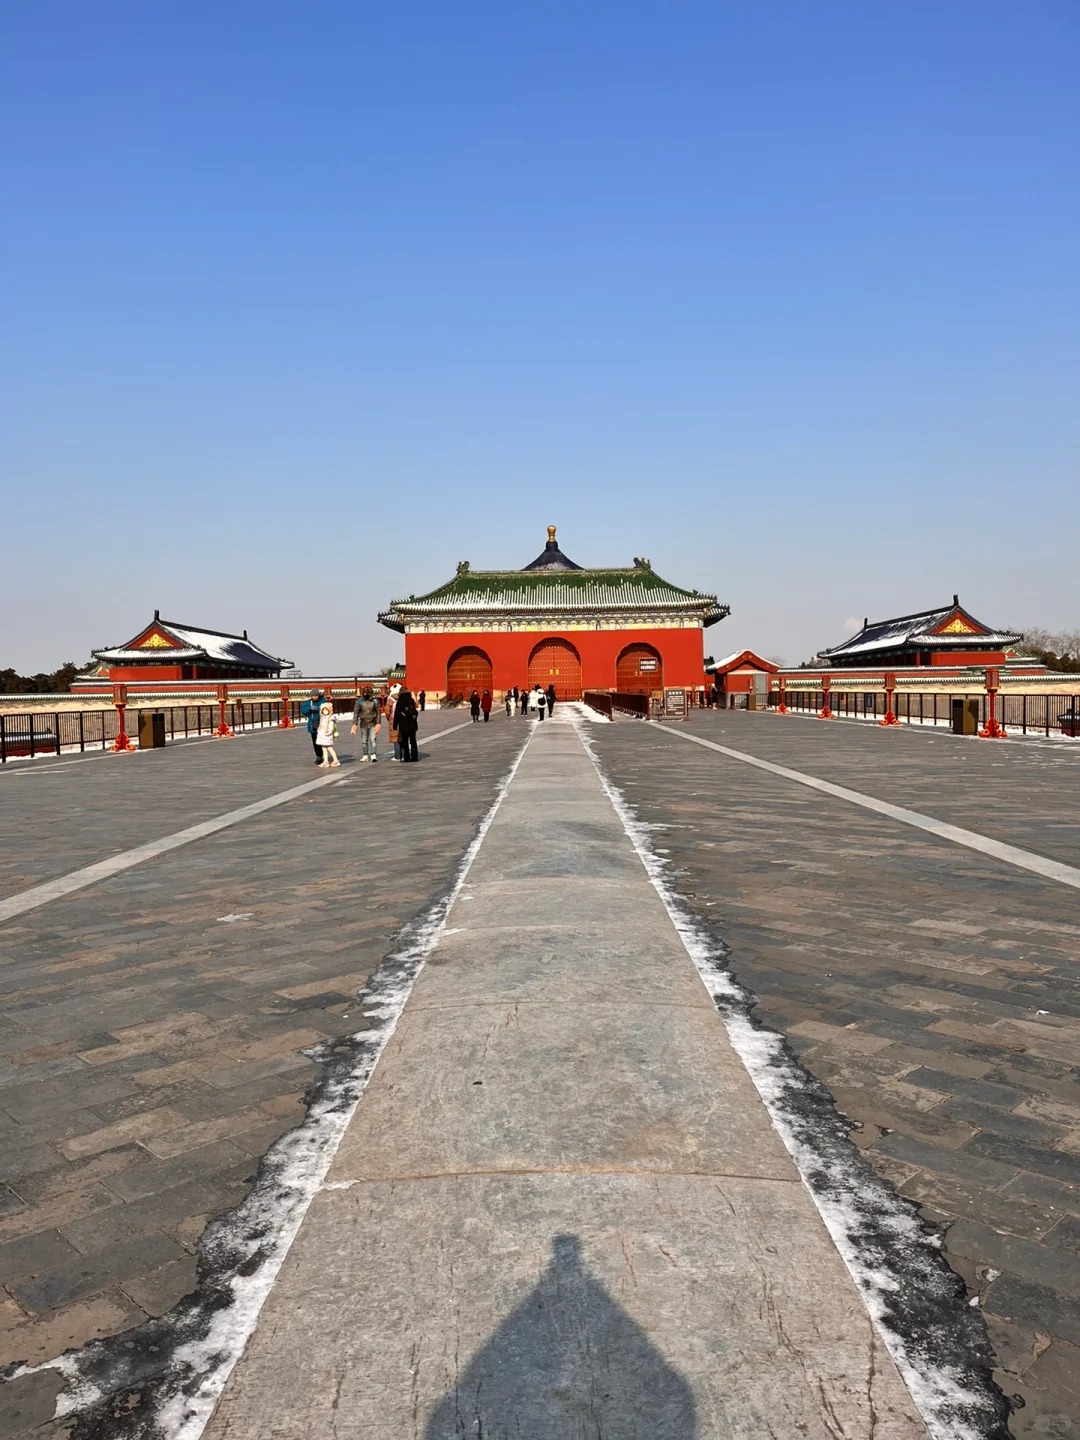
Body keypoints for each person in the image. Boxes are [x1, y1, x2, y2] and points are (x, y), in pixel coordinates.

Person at [350, 687, 381, 762]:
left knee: (373, 740)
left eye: (368, 692)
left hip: (373, 723)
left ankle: (373, 754)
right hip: (363, 723)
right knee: (364, 741)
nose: (366, 694)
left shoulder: (375, 701)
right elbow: (356, 713)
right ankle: (365, 754)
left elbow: (378, 712)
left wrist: (378, 723)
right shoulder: (359, 701)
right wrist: (355, 723)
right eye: (365, 693)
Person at [300, 687, 327, 764]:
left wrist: (319, 709)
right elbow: (303, 711)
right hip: (313, 725)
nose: (314, 697)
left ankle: (324, 755)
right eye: (313, 696)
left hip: (322, 724)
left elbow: (327, 709)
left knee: (323, 741)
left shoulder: (323, 701)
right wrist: (309, 708)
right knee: (315, 741)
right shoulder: (308, 703)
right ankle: (319, 756)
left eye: (316, 696)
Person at [396, 686, 419, 762]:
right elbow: (415, 709)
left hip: (403, 724)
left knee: (405, 741)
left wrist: (395, 725)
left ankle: (407, 757)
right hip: (412, 724)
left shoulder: (400, 701)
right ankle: (415, 756)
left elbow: (397, 713)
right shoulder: (411, 700)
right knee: (413, 741)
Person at [315, 703, 340, 768]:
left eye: (326, 709)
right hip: (322, 735)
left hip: (327, 735)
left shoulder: (330, 718)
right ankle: (326, 761)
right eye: (323, 710)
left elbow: (331, 727)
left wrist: (329, 732)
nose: (325, 711)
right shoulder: (322, 717)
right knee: (324, 748)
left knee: (329, 747)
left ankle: (335, 760)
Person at [386, 684, 402, 761]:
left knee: (395, 739)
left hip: (393, 720)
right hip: (402, 720)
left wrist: (389, 719)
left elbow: (387, 712)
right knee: (402, 737)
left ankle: (397, 756)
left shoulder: (390, 699)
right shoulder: (402, 698)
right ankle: (403, 754)